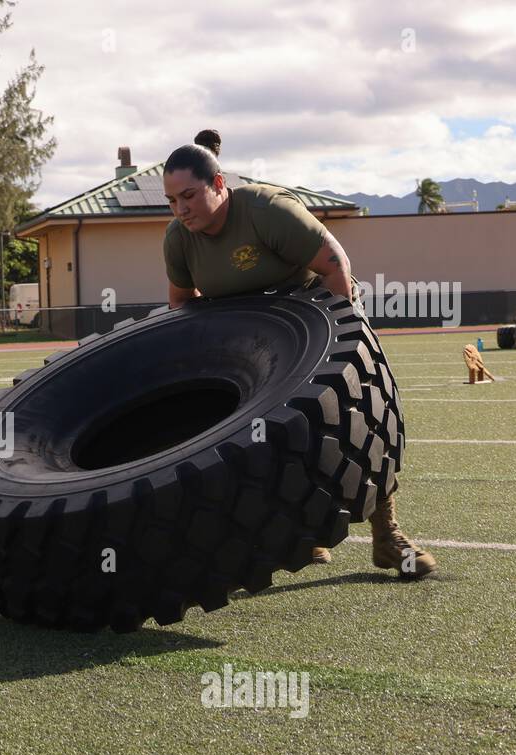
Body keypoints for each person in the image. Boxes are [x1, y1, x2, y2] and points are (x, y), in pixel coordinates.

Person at [162, 142, 435, 577]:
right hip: (252, 339)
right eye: (172, 200)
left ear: (218, 184)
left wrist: (342, 356)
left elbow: (336, 266)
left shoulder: (266, 210)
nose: (181, 209)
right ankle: (305, 535)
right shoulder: (179, 240)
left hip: (323, 313)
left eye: (189, 196)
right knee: (271, 435)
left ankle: (387, 536)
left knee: (358, 419)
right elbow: (182, 305)